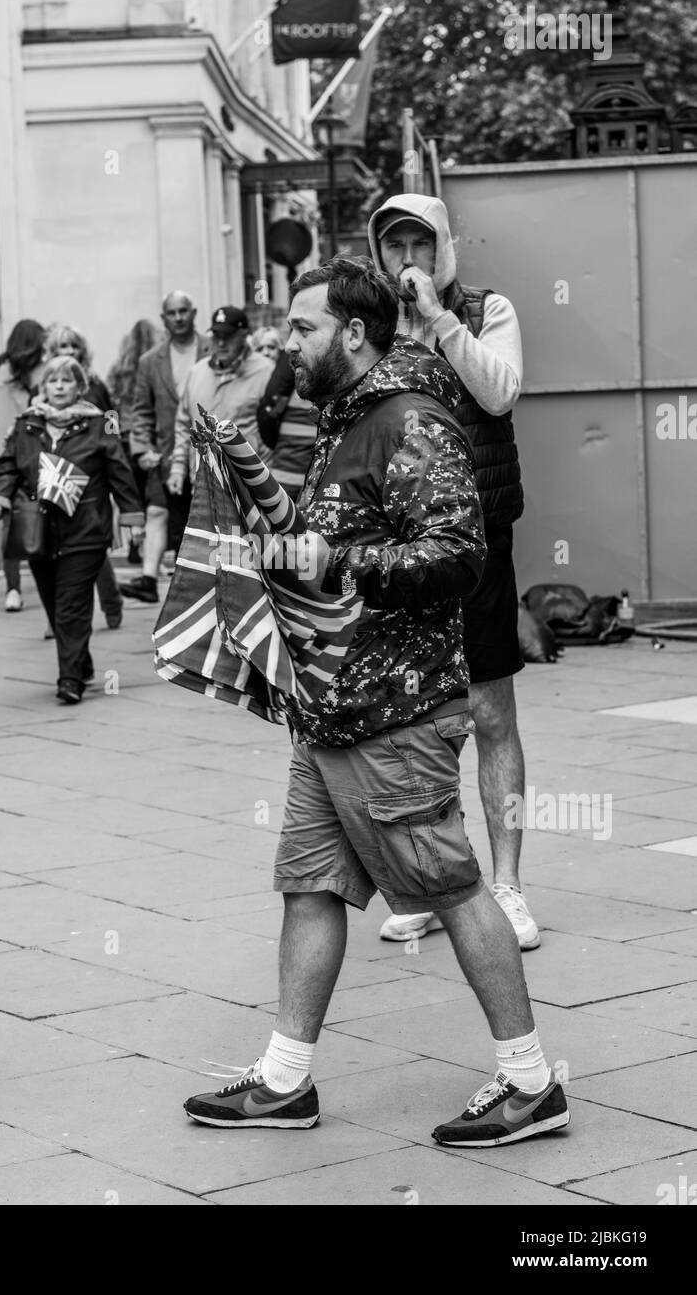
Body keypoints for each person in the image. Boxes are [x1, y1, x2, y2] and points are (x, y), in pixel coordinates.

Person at [184, 258, 569, 1146]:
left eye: (304, 327)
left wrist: (337, 564)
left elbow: (457, 555)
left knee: (450, 886)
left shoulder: (409, 420)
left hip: (393, 712)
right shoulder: (344, 418)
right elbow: (344, 526)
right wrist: (272, 515)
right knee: (310, 886)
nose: (287, 340)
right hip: (330, 708)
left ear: (353, 333)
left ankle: (530, 1083)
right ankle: (284, 1083)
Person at [368, 193, 537, 951]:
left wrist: (440, 319)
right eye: (394, 244)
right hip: (401, 549)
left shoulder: (485, 308)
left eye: (420, 242)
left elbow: (498, 390)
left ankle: (505, 883)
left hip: (476, 542)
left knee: (490, 713)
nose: (408, 257)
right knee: (417, 724)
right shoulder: (368, 323)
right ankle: (439, 882)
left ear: (441, 247)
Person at [0, 355, 144, 704]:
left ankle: (69, 679)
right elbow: (8, 466)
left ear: (79, 387)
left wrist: (132, 518)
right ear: (44, 387)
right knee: (55, 605)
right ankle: (82, 664)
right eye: (53, 381)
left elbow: (121, 472)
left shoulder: (101, 424)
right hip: (38, 530)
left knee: (72, 603)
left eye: (66, 381)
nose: (59, 387)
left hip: (85, 529)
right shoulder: (27, 424)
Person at [122, 291, 208, 604]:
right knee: (156, 511)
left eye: (184, 311)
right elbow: (141, 409)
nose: (179, 317)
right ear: (164, 318)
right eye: (172, 313)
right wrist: (142, 448)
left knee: (201, 519)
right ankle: (148, 576)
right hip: (166, 452)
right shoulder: (150, 361)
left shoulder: (212, 349)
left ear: (194, 312)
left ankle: (203, 579)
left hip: (206, 450)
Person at [44, 324, 124, 630]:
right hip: (55, 476)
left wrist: (115, 463)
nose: (67, 352)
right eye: (61, 347)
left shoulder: (94, 386)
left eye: (72, 346)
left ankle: (110, 599)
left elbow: (112, 423)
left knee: (91, 548)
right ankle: (61, 616)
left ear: (82, 350)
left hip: (91, 479)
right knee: (55, 548)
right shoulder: (49, 384)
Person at [167, 304, 272, 496]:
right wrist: (177, 468)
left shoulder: (265, 371)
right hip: (203, 484)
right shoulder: (197, 372)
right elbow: (183, 424)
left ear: (244, 336)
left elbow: (274, 432)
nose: (221, 343)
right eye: (217, 336)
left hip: (248, 488)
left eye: (228, 336)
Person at [0, 319, 46, 612]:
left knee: (7, 522)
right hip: (35, 455)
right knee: (39, 518)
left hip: (0, 455)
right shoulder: (42, 374)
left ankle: (12, 589)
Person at [106, 318, 162, 565]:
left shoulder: (119, 370)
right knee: (155, 499)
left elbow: (111, 407)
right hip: (150, 438)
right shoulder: (155, 365)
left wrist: (115, 434)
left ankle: (134, 541)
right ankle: (151, 544)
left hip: (126, 437)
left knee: (133, 496)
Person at [255, 330, 319, 502]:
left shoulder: (291, 387)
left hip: (292, 480)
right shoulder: (291, 387)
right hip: (293, 479)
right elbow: (267, 415)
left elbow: (267, 416)